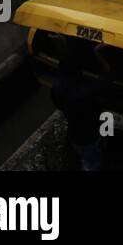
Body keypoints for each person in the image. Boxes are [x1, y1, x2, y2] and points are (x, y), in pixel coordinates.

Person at [50, 37, 108, 171]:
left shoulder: (58, 88)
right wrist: (98, 54)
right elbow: (107, 76)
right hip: (89, 138)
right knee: (91, 164)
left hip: (76, 136)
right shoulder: (84, 92)